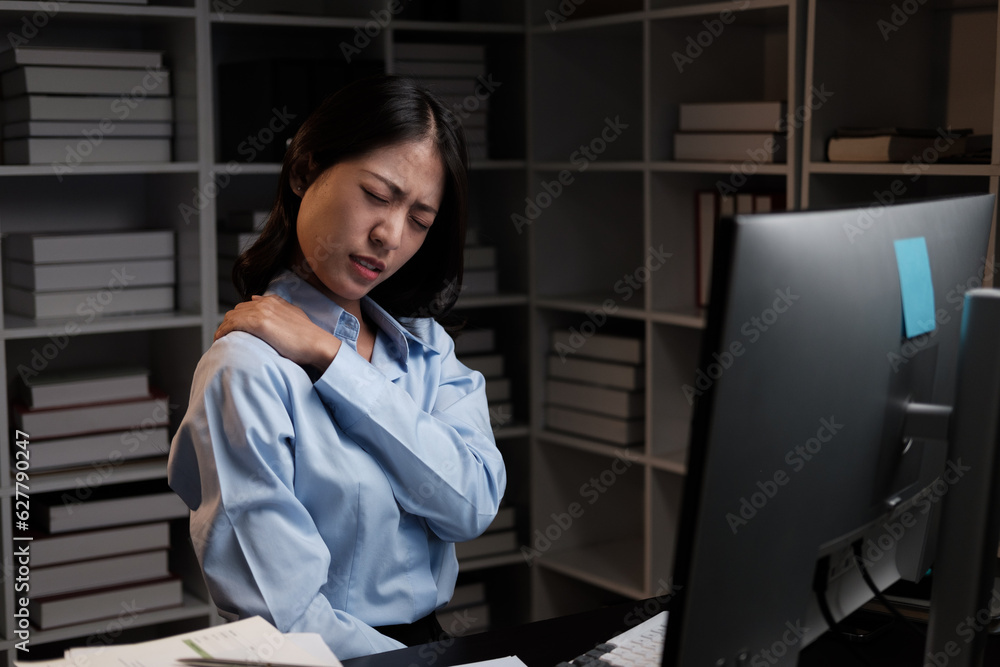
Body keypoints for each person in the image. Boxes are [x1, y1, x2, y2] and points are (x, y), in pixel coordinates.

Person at [167, 75, 506, 659]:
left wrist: (331, 359)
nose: (390, 235)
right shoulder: (244, 370)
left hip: (429, 645)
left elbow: (470, 505)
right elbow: (286, 614)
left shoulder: (426, 349)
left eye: (420, 220)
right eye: (377, 194)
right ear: (304, 171)